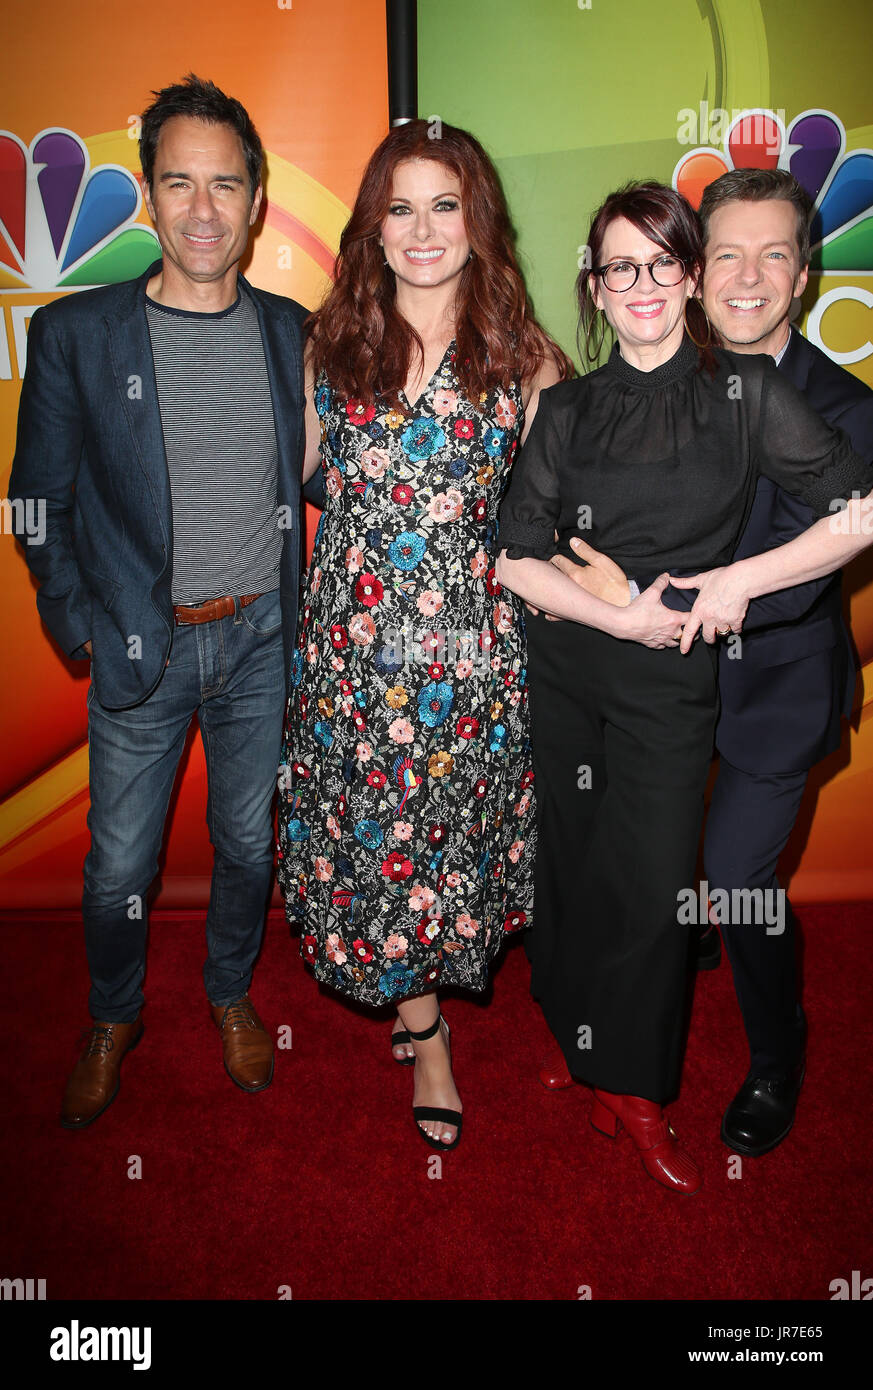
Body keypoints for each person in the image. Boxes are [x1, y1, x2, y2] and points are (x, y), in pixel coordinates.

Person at [495, 181, 873, 1193]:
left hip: (673, 688)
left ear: (688, 276)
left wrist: (734, 583)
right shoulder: (567, 407)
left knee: (662, 893)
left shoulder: (744, 393)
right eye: (623, 267)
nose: (645, 284)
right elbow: (513, 557)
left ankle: (634, 1085)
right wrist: (618, 614)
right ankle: (575, 1038)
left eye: (664, 262)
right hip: (574, 668)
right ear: (597, 287)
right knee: (574, 871)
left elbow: (860, 508)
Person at [8, 75, 316, 1128]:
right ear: (146, 196)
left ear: (257, 200)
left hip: (264, 639)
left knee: (246, 845)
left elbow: (339, 471)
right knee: (117, 867)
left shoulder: (294, 333)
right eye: (178, 182)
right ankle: (113, 1012)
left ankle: (228, 990)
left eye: (224, 184)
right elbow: (35, 502)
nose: (201, 208)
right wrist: (73, 617)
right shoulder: (76, 338)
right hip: (140, 644)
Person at [276, 119, 571, 1149]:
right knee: (373, 843)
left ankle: (433, 1007)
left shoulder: (526, 359)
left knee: (445, 842)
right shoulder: (329, 342)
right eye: (399, 206)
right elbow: (281, 483)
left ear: (477, 220)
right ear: (374, 226)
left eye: (444, 203)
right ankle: (426, 1032)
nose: (422, 227)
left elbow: (569, 520)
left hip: (472, 655)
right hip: (353, 652)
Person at [694, 169, 873, 1155]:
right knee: (659, 850)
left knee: (737, 877)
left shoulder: (848, 411)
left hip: (777, 683)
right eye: (727, 253)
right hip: (668, 686)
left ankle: (776, 1049)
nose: (748, 276)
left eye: (773, 254)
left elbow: (800, 582)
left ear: (803, 275)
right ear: (698, 270)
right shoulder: (666, 378)